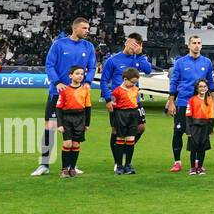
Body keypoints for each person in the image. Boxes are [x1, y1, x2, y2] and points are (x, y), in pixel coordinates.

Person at [33, 17, 96, 177]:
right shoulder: (59, 44)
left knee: (76, 132)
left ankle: (71, 166)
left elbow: (92, 66)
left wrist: (88, 82)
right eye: (84, 28)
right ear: (74, 29)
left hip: (78, 96)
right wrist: (58, 82)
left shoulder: (89, 47)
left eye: (88, 28)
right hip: (57, 94)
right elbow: (49, 65)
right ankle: (44, 164)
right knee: (50, 128)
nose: (87, 31)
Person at [100, 32, 153, 174]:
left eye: (138, 44)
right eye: (133, 43)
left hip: (135, 102)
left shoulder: (139, 59)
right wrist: (107, 99)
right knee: (116, 131)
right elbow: (104, 80)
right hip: (118, 103)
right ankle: (118, 162)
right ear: (126, 42)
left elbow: (148, 70)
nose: (134, 47)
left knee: (141, 128)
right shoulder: (113, 60)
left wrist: (140, 54)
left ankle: (125, 150)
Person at [167, 35, 213, 173]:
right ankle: (177, 162)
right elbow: (174, 82)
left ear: (202, 45)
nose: (196, 45)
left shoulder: (207, 62)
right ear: (189, 45)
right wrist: (171, 101)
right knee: (178, 131)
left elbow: (210, 82)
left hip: (200, 104)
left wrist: (213, 102)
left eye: (199, 43)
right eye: (194, 43)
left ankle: (197, 164)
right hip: (183, 102)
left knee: (199, 133)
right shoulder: (180, 62)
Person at [55, 65, 92, 178]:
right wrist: (60, 124)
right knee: (67, 143)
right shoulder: (64, 90)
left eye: (82, 74)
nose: (80, 76)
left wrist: (87, 124)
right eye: (77, 73)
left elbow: (88, 108)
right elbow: (59, 108)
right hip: (67, 118)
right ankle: (64, 168)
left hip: (80, 118)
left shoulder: (85, 90)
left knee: (76, 144)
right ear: (70, 75)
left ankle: (72, 168)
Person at [110, 67, 142, 175]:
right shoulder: (117, 91)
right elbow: (113, 107)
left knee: (130, 140)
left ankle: (128, 164)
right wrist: (113, 121)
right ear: (125, 79)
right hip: (121, 114)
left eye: (135, 83)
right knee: (120, 139)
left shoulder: (135, 89)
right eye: (132, 82)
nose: (133, 84)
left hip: (133, 114)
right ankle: (119, 165)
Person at [187, 78, 214, 175]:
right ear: (196, 88)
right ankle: (192, 168)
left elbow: (211, 115)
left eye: (205, 86)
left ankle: (199, 167)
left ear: (207, 88)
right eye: (200, 86)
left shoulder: (209, 100)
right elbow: (188, 116)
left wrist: (211, 128)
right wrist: (188, 131)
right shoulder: (192, 100)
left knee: (202, 148)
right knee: (193, 148)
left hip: (205, 127)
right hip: (194, 127)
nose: (203, 88)